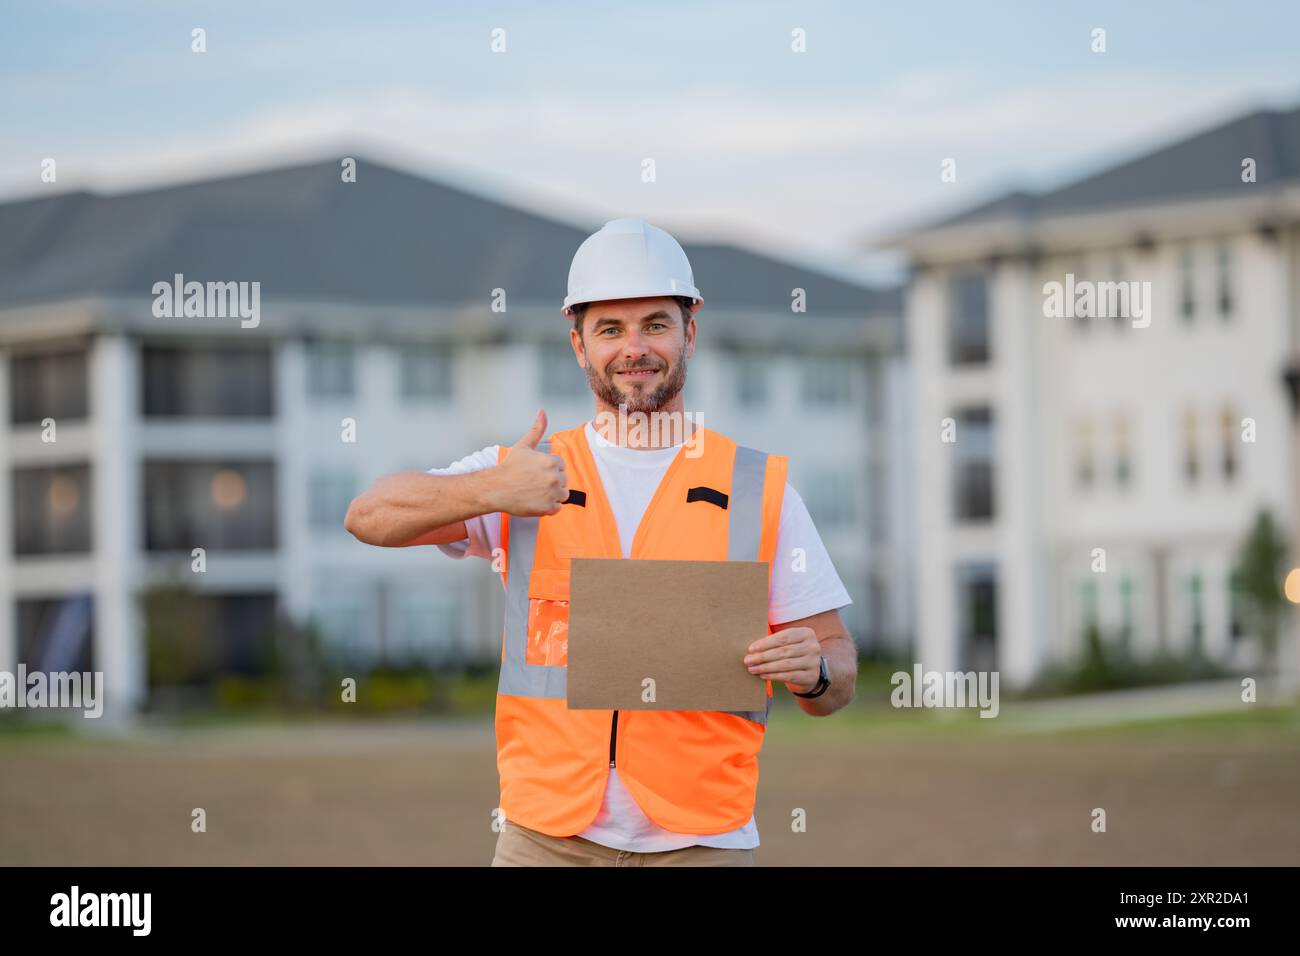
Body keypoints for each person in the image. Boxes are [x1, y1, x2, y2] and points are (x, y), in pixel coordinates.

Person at [345, 218, 857, 866]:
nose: (634, 347)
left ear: (689, 332)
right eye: (610, 329)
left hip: (704, 840)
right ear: (578, 345)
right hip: (544, 836)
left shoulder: (760, 490)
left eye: (655, 324)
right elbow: (368, 516)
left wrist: (813, 672)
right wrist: (488, 491)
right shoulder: (522, 475)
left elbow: (837, 674)